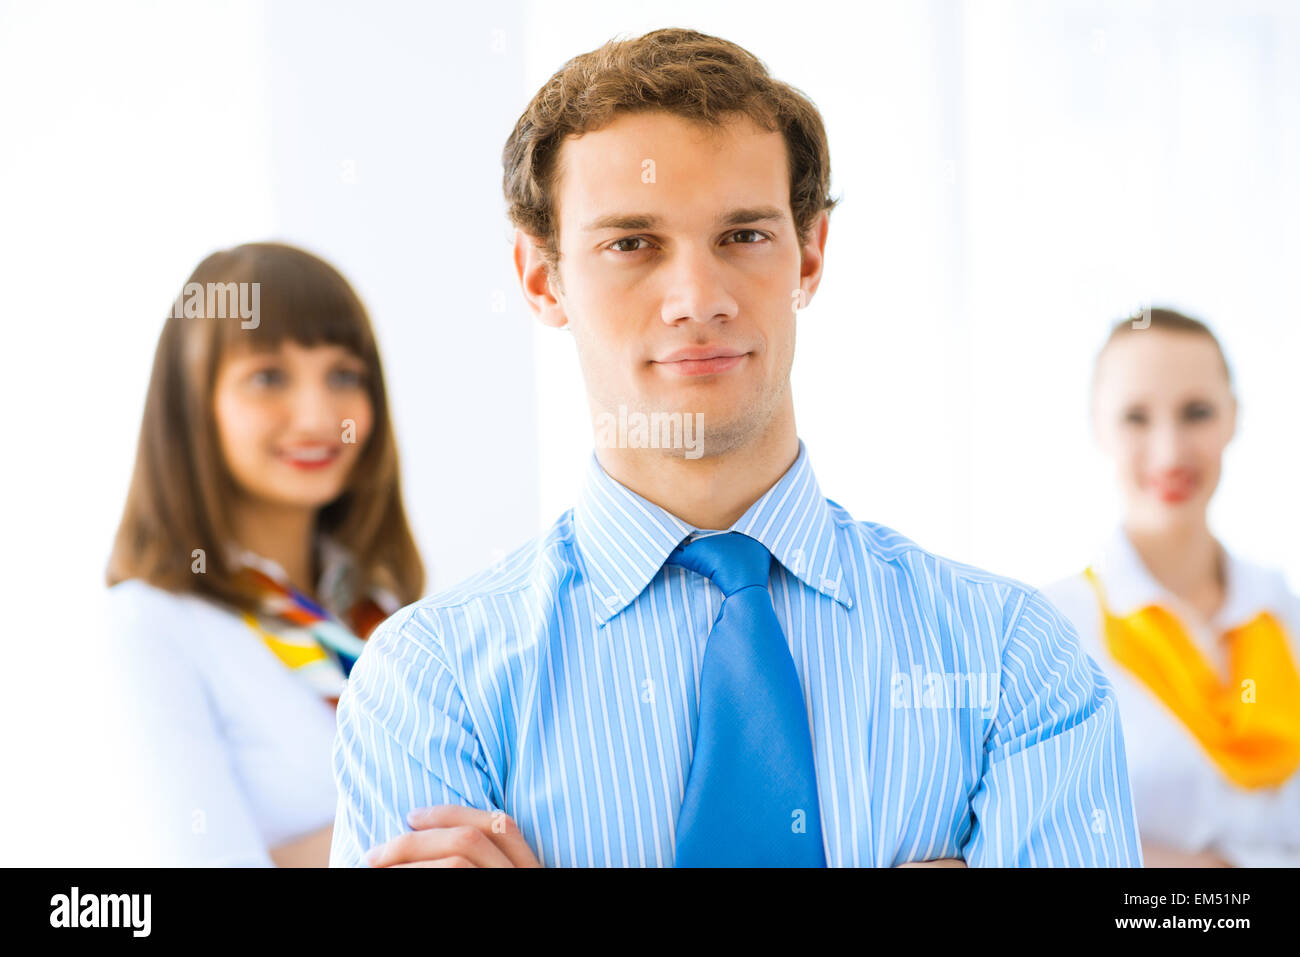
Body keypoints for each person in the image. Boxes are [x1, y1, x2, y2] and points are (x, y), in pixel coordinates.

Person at [330, 27, 1142, 868]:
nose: (698, 297)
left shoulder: (1012, 658)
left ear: (810, 253)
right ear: (543, 280)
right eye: (632, 243)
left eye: (744, 236)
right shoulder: (428, 684)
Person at [104, 241, 424, 866]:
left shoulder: (381, 614)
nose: (317, 415)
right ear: (193, 407)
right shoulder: (151, 624)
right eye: (268, 377)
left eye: (343, 375)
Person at [1042, 308, 1300, 867]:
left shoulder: (1288, 617)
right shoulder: (1049, 634)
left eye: (1197, 412)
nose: (1169, 451)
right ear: (1097, 425)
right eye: (1136, 417)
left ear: (1234, 417)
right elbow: (1040, 841)